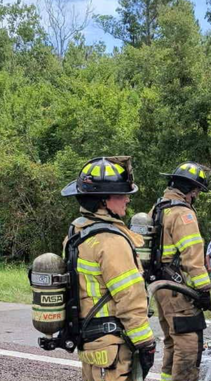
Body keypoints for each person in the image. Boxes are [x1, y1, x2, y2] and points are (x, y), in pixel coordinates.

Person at [61, 156, 155, 381]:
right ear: (103, 200)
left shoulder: (77, 233)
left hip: (92, 344)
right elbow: (129, 298)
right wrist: (145, 344)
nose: (127, 200)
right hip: (112, 346)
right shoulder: (111, 241)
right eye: (121, 194)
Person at [149, 162, 211, 381]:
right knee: (187, 346)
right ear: (192, 190)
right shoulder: (182, 214)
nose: (196, 196)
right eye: (197, 192)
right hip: (178, 291)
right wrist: (203, 289)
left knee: (171, 342)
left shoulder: (157, 209)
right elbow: (192, 256)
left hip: (161, 289)